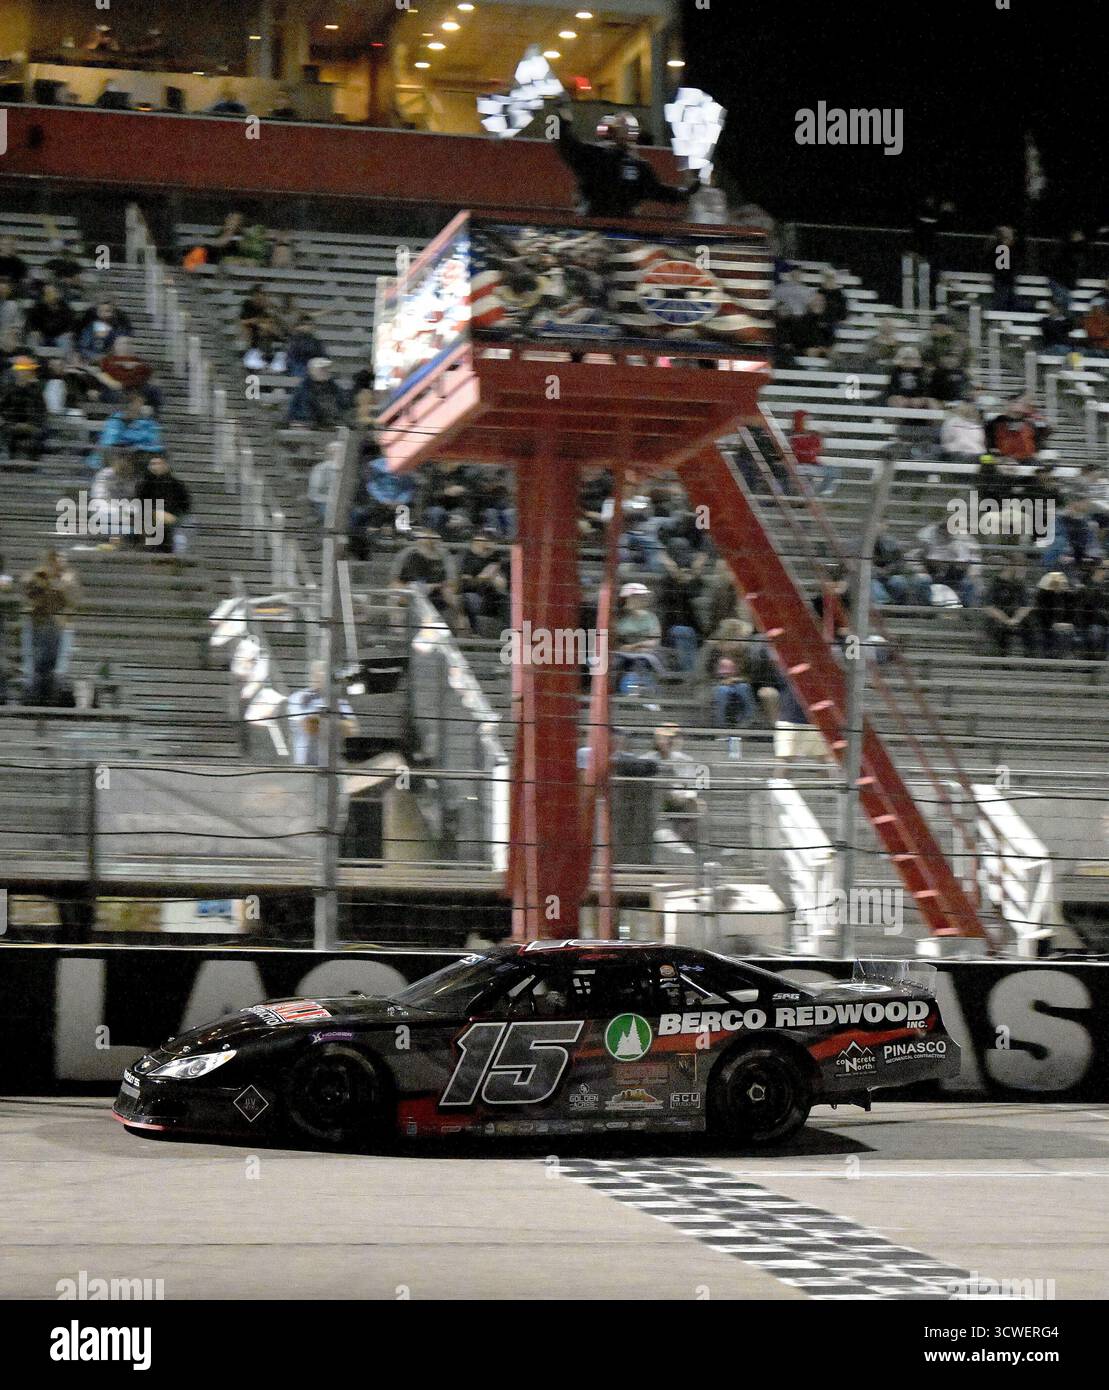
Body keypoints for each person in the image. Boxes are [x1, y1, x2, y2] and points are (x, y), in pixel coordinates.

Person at [555, 101, 697, 218]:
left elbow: (656, 190)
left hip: (620, 227)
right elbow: (566, 145)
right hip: (594, 224)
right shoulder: (595, 155)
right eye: (622, 128)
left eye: (628, 129)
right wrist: (563, 120)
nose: (626, 132)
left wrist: (683, 193)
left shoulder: (639, 167)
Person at [20, 549, 80, 705]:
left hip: (55, 661)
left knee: (65, 626)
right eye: (52, 561)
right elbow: (28, 592)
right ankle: (33, 686)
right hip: (38, 661)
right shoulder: (37, 576)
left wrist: (59, 585)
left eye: (58, 561)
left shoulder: (67, 578)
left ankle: (55, 683)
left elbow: (72, 600)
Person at [286, 661, 356, 766]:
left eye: (325, 672)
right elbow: (308, 727)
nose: (321, 675)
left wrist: (323, 719)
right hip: (305, 765)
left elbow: (352, 730)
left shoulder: (339, 700)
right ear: (312, 675)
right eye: (319, 671)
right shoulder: (299, 697)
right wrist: (336, 720)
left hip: (333, 763)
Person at [88, 391, 163, 468]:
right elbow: (109, 443)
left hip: (137, 461)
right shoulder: (115, 420)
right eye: (132, 404)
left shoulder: (148, 423)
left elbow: (157, 446)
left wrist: (138, 448)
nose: (136, 408)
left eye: (140, 404)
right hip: (109, 462)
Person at [613, 582, 664, 694]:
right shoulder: (619, 619)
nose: (640, 600)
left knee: (641, 663)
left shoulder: (651, 617)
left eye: (640, 597)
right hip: (623, 656)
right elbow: (615, 642)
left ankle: (647, 693)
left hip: (646, 655)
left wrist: (635, 646)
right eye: (635, 597)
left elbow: (654, 641)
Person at [135, 455, 191, 554]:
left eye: (159, 464)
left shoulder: (177, 485)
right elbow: (138, 504)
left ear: (166, 465)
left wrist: (174, 517)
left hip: (172, 522)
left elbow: (185, 506)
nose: (156, 467)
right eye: (153, 464)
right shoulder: (143, 485)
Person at [458, 530, 510, 634]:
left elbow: (509, 547)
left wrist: (497, 569)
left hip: (500, 595)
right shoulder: (469, 558)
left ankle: (506, 640)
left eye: (482, 542)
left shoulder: (498, 556)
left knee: (507, 600)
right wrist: (483, 578)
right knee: (465, 599)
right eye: (476, 542)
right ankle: (476, 634)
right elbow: (465, 585)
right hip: (479, 595)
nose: (478, 545)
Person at [982, 558, 1037, 656]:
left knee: (1030, 624)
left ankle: (1031, 659)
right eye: (1020, 567)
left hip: (1015, 620)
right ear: (1011, 566)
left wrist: (1016, 619)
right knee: (998, 627)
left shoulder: (1020, 584)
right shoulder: (995, 583)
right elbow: (989, 607)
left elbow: (1026, 606)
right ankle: (1001, 660)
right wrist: (1006, 620)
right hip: (999, 619)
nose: (1023, 571)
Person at [0, 357, 48, 462]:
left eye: (26, 371)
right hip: (10, 427)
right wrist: (10, 424)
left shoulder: (36, 391)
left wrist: (30, 425)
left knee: (38, 437)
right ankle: (7, 466)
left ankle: (32, 468)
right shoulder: (7, 390)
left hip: (31, 428)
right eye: (21, 371)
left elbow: (42, 412)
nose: (23, 373)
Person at [286, 358, 348, 428]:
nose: (325, 371)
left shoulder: (333, 387)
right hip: (306, 421)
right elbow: (300, 410)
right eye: (322, 369)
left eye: (326, 369)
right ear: (312, 371)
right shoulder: (304, 388)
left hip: (329, 422)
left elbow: (342, 405)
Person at [24, 283, 76, 350]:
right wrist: (34, 331)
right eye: (47, 293)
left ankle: (64, 360)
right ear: (44, 296)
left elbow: (71, 322)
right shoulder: (38, 306)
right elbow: (29, 321)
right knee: (33, 338)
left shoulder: (64, 306)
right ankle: (33, 358)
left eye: (52, 292)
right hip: (42, 336)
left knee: (66, 340)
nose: (50, 295)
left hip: (60, 336)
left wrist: (68, 332)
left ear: (56, 293)